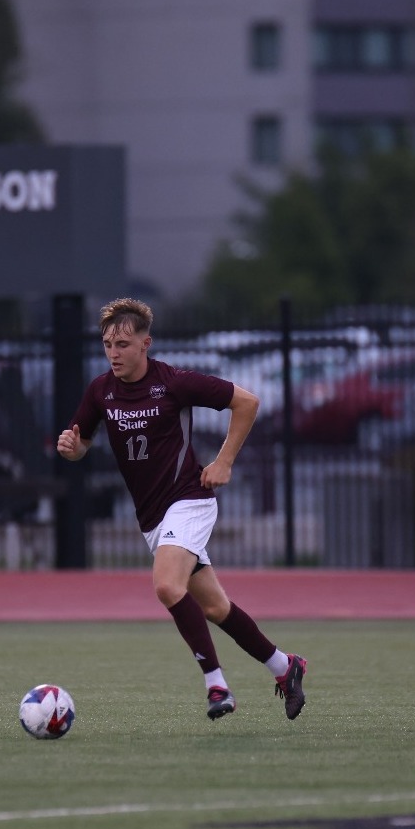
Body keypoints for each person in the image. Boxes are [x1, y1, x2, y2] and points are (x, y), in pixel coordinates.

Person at [57, 298, 308, 722]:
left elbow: (246, 403)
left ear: (145, 343)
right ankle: (286, 667)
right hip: (153, 519)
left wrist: (224, 461)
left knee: (167, 587)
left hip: (189, 501)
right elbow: (81, 444)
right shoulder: (101, 390)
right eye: (106, 344)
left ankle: (216, 685)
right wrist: (72, 448)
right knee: (214, 608)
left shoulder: (174, 383)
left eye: (122, 343)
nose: (113, 353)